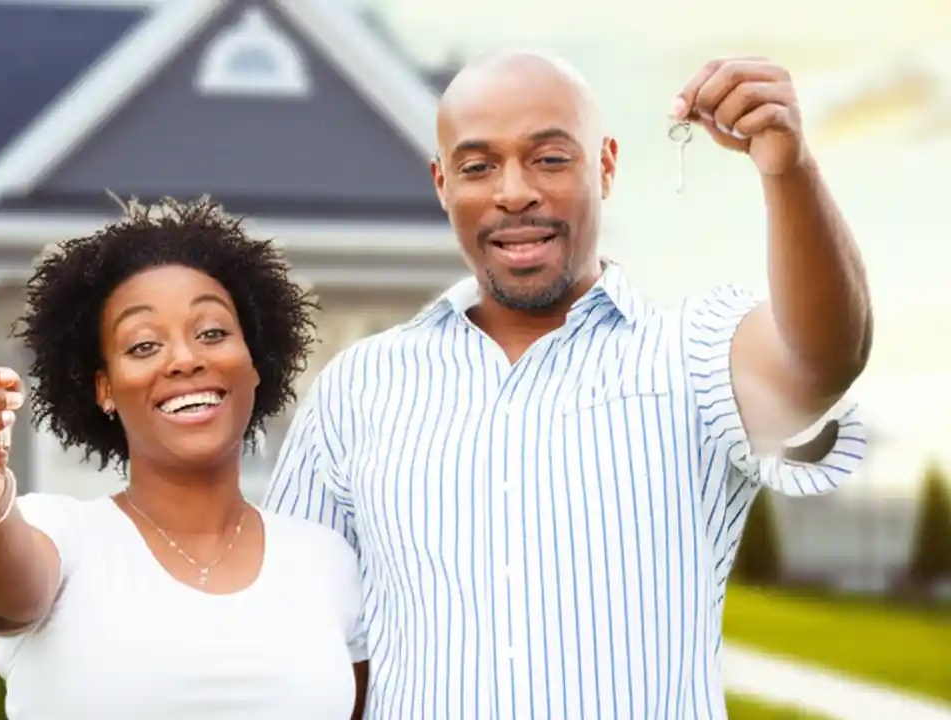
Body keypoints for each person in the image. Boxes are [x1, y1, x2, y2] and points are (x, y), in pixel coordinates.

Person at [264, 50, 873, 719]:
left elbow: (819, 358)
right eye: (478, 166)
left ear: (605, 165)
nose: (514, 191)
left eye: (550, 158)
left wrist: (788, 169)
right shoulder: (359, 387)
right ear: (442, 185)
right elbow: (309, 639)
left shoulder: (688, 356)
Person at [0, 198, 368, 719]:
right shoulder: (61, 533)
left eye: (212, 333)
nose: (185, 359)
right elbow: (9, 593)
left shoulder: (326, 560)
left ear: (255, 364)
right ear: (105, 388)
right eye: (142, 346)